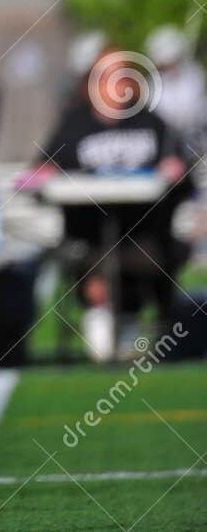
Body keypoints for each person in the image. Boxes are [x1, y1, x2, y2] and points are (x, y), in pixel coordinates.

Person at [27, 46, 191, 359]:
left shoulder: (151, 122)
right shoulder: (74, 124)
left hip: (144, 234)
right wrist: (45, 173)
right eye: (105, 77)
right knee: (91, 253)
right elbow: (43, 167)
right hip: (86, 235)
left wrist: (174, 167)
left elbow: (180, 166)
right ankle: (100, 308)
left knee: (149, 251)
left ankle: (133, 316)